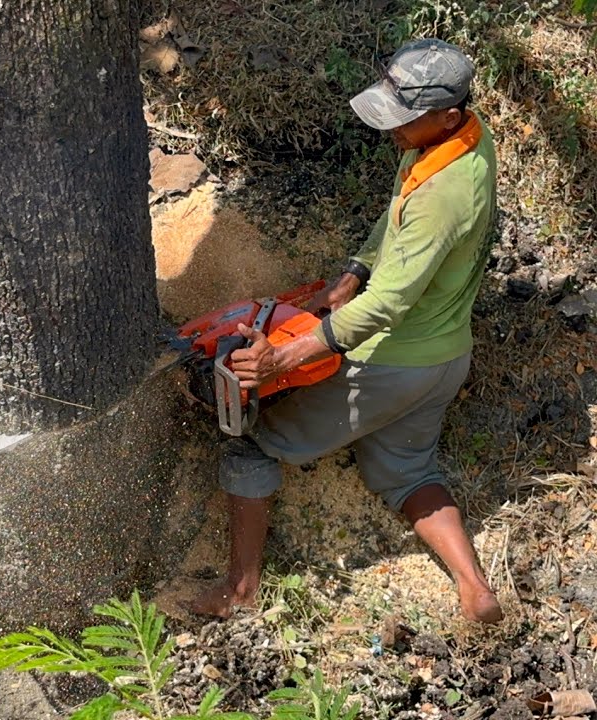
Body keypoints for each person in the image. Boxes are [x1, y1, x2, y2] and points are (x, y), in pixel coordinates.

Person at [188, 38, 504, 624]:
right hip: (443, 361)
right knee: (407, 472)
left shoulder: (444, 195)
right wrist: (354, 271)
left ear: (448, 114)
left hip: (392, 364)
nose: (393, 131)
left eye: (404, 121)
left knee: (250, 440)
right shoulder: (462, 142)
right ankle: (476, 590)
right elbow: (396, 216)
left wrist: (287, 358)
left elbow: (386, 306)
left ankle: (239, 591)